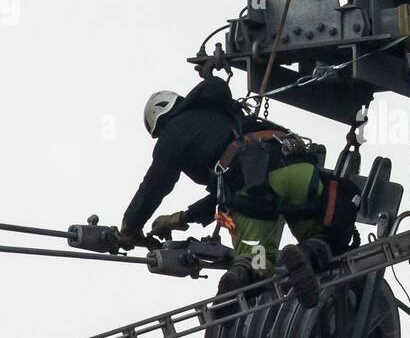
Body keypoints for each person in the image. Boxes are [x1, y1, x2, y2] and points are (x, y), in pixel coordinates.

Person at [119, 76, 356, 306]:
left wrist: (131, 225)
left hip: (254, 192)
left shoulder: (171, 136)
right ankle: (305, 254)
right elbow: (224, 190)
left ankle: (236, 285)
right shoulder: (224, 113)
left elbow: (156, 184)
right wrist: (182, 218)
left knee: (256, 260)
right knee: (323, 236)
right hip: (297, 170)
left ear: (159, 124)